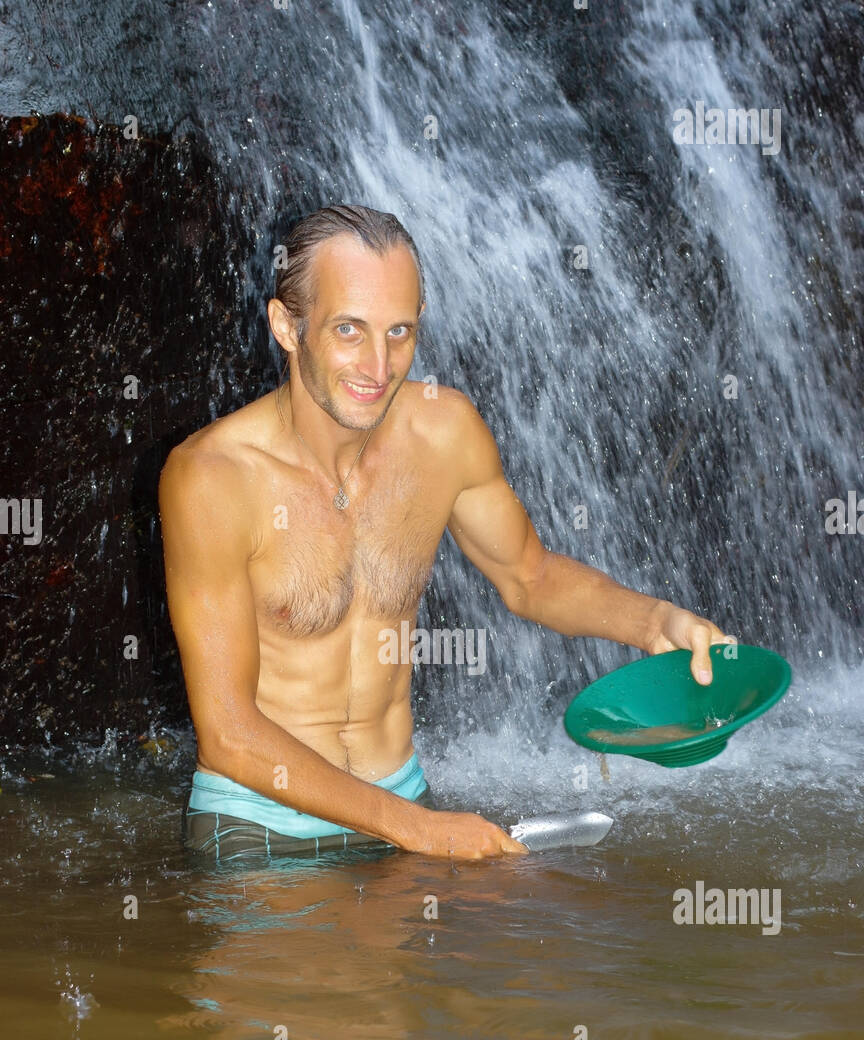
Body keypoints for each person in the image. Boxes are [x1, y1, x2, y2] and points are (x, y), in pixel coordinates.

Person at [160, 204, 732, 862]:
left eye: (399, 332)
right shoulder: (211, 478)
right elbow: (229, 733)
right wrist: (419, 829)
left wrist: (656, 623)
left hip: (405, 804)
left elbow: (531, 577)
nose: (379, 365)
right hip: (261, 828)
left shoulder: (444, 433)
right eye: (349, 329)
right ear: (288, 327)